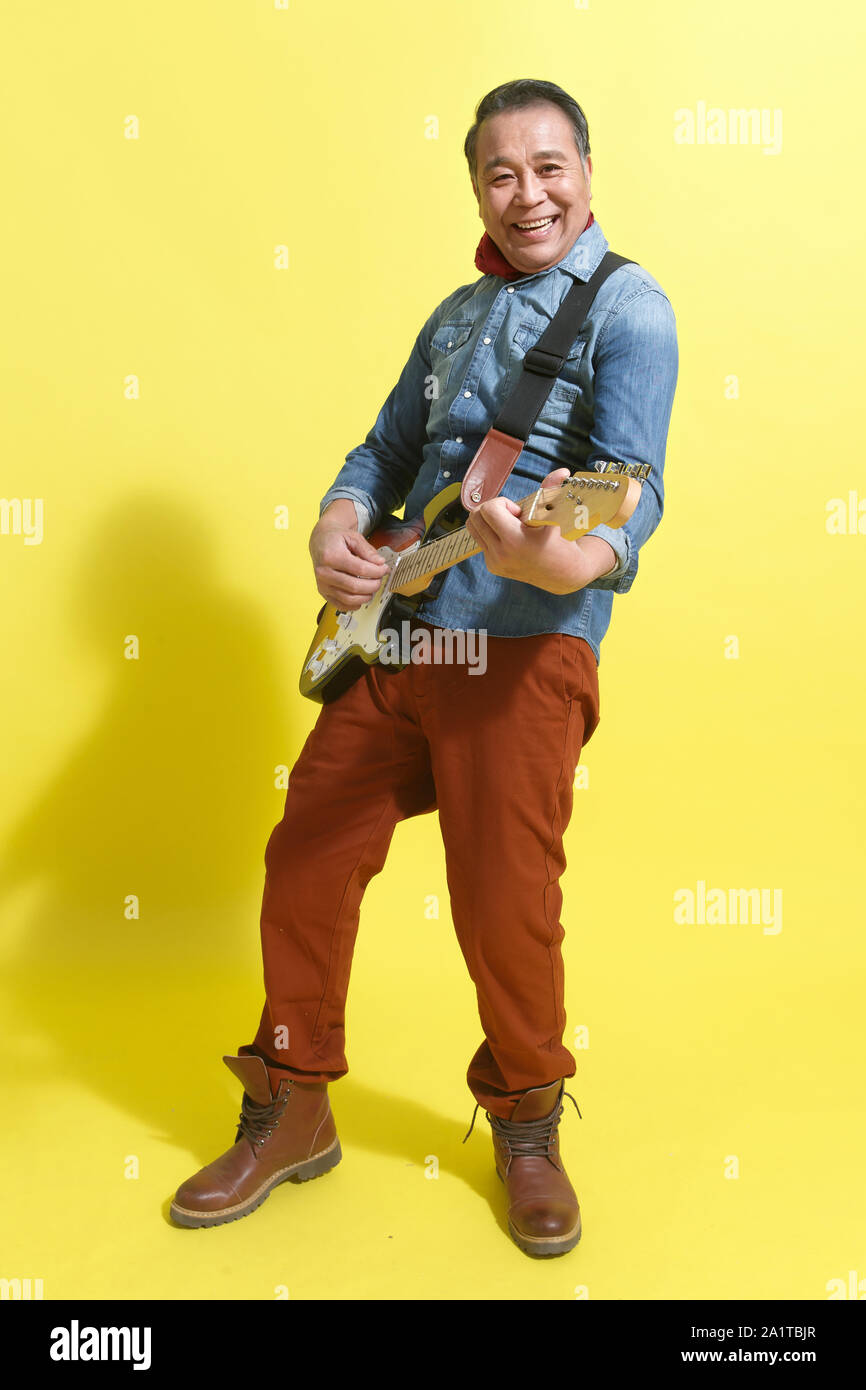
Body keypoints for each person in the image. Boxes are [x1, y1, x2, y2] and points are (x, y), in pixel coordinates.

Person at [170, 78, 678, 1257]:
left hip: (522, 645)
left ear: (587, 174)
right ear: (475, 189)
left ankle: (527, 1121)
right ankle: (292, 1101)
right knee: (304, 845)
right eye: (500, 174)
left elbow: (627, 494)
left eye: (547, 167)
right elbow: (385, 448)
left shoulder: (630, 310)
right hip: (404, 638)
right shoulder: (452, 315)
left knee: (503, 905)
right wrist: (337, 520)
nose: (526, 193)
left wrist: (555, 555)